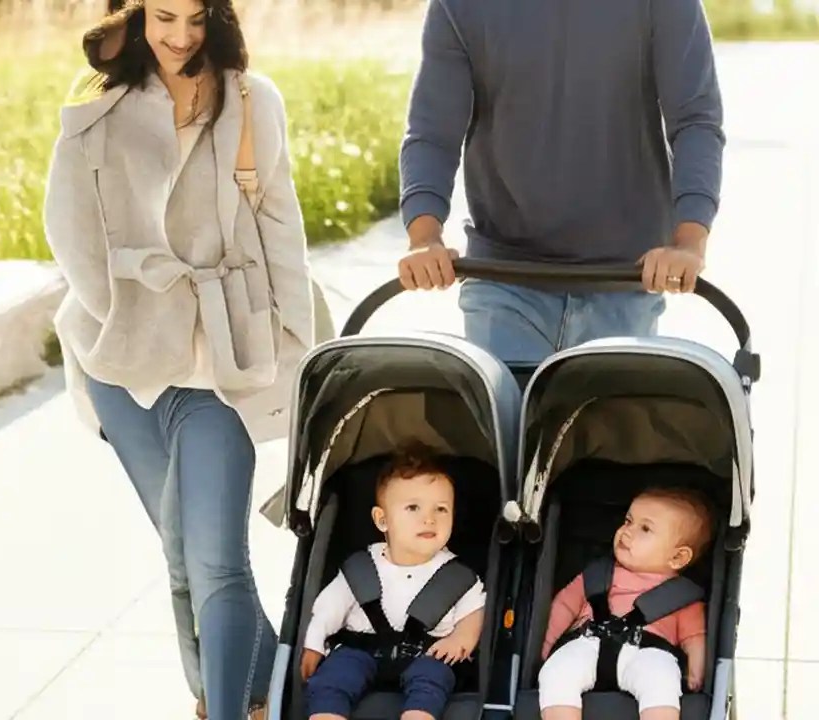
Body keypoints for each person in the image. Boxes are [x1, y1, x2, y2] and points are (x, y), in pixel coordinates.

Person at [42, 0, 330, 717]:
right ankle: (266, 689)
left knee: (216, 563)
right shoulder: (97, 114)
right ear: (133, 18)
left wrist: (303, 350)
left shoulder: (249, 100)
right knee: (184, 559)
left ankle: (225, 708)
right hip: (124, 366)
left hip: (220, 363)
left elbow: (279, 223)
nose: (180, 36)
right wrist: (127, 321)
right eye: (163, 17)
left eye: (196, 18)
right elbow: (70, 237)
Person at [395, 0, 725, 364]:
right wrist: (425, 237)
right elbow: (432, 131)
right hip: (504, 277)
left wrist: (690, 241)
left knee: (604, 421)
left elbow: (696, 120)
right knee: (501, 418)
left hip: (623, 279)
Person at [299, 444, 486, 720]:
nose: (429, 518)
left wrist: (461, 638)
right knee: (332, 678)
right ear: (382, 519)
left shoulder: (458, 575)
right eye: (413, 507)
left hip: (427, 652)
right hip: (360, 649)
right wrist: (314, 643)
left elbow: (474, 612)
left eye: (442, 509)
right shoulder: (361, 568)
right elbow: (328, 610)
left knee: (433, 679)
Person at [538, 487, 714, 720]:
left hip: (648, 652)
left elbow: (695, 636)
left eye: (645, 528)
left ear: (677, 557)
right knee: (556, 673)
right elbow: (564, 606)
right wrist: (547, 644)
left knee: (662, 680)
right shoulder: (596, 576)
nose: (626, 532)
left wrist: (696, 669)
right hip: (586, 643)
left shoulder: (682, 597)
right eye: (628, 521)